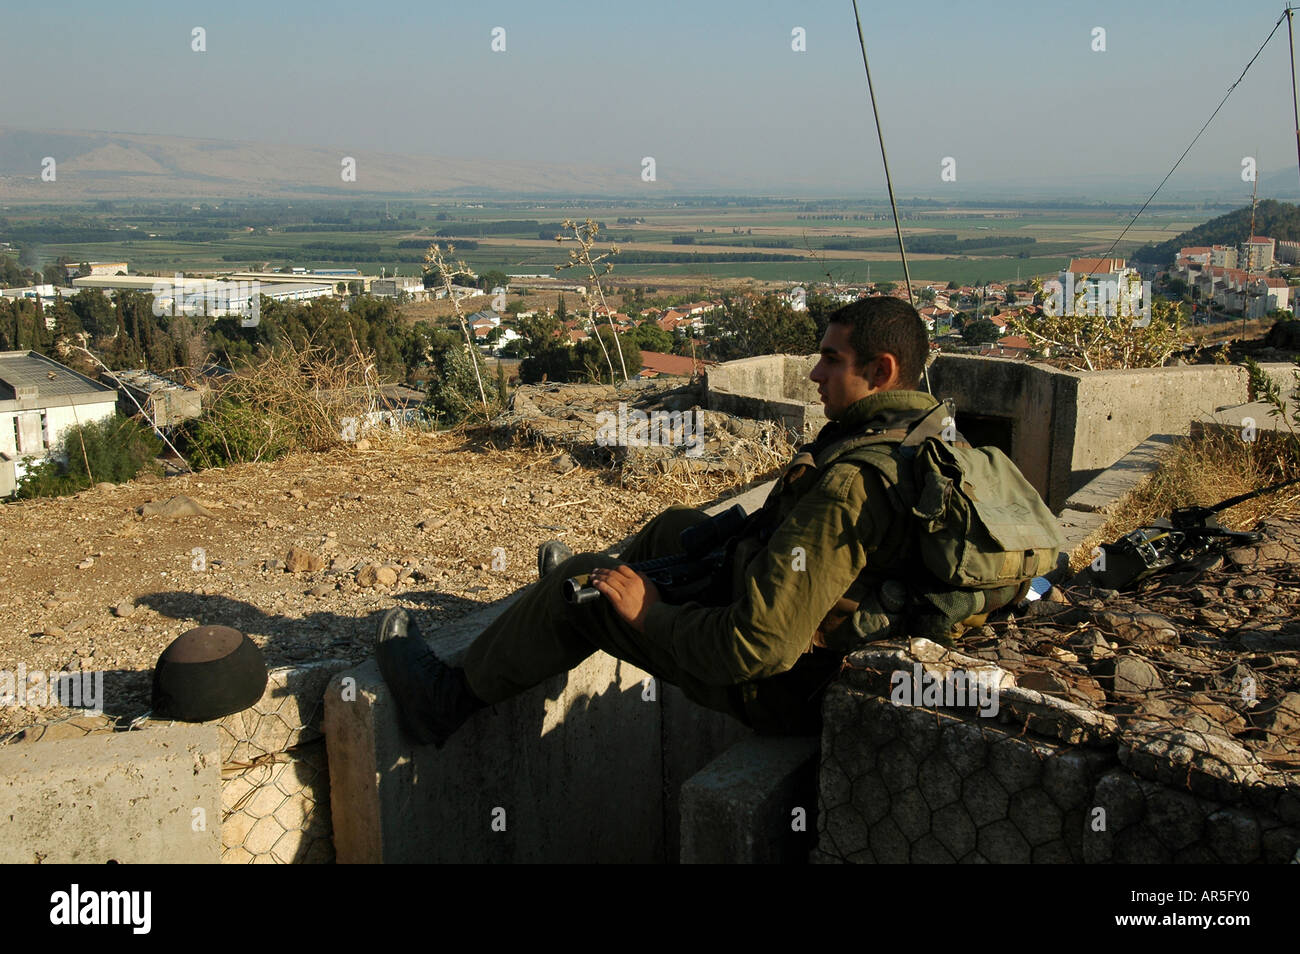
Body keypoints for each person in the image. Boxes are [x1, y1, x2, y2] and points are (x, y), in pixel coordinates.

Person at [377, 296, 979, 747]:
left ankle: (445, 700)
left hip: (790, 686)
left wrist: (651, 614)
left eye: (831, 359)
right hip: (848, 630)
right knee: (677, 528)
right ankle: (573, 611)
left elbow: (758, 647)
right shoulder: (929, 435)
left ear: (882, 371)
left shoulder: (855, 482)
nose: (816, 375)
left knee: (582, 592)